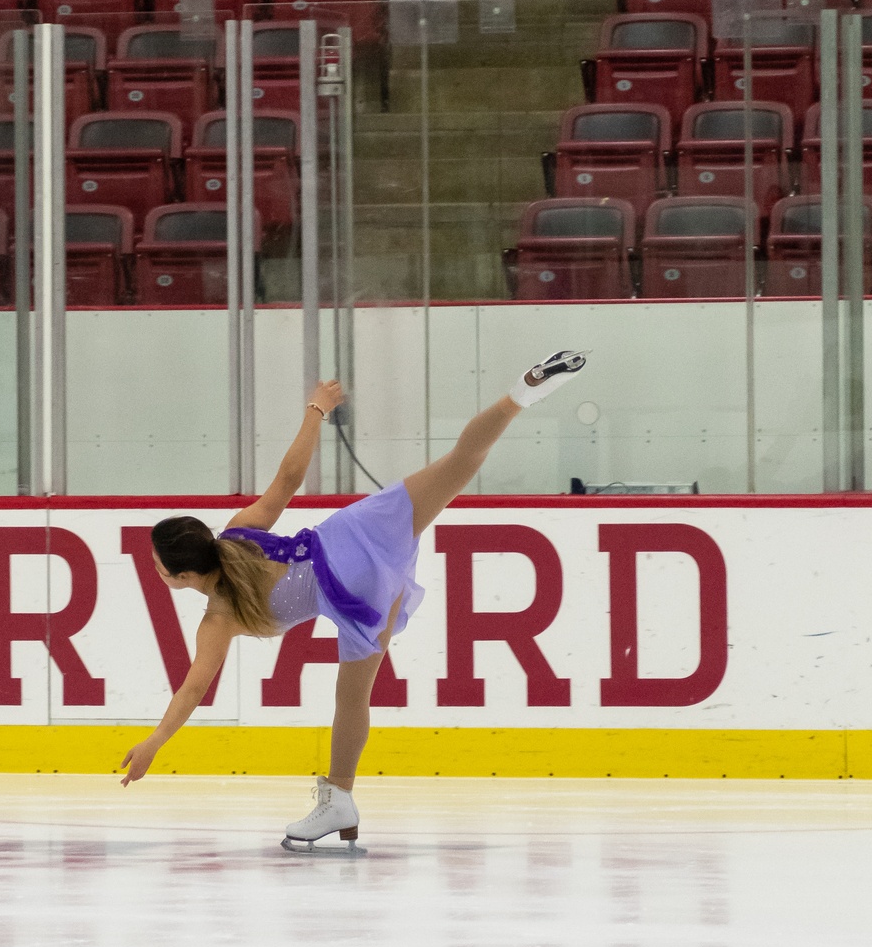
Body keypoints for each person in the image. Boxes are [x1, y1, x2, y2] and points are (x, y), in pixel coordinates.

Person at [118, 351, 589, 853]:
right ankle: (523, 391)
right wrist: (315, 410)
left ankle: (340, 796)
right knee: (458, 463)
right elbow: (289, 480)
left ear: (185, 575)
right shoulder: (238, 533)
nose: (155, 570)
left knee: (351, 698)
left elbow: (192, 691)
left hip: (353, 592)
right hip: (353, 531)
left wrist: (153, 744)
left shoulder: (219, 619)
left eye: (158, 565)